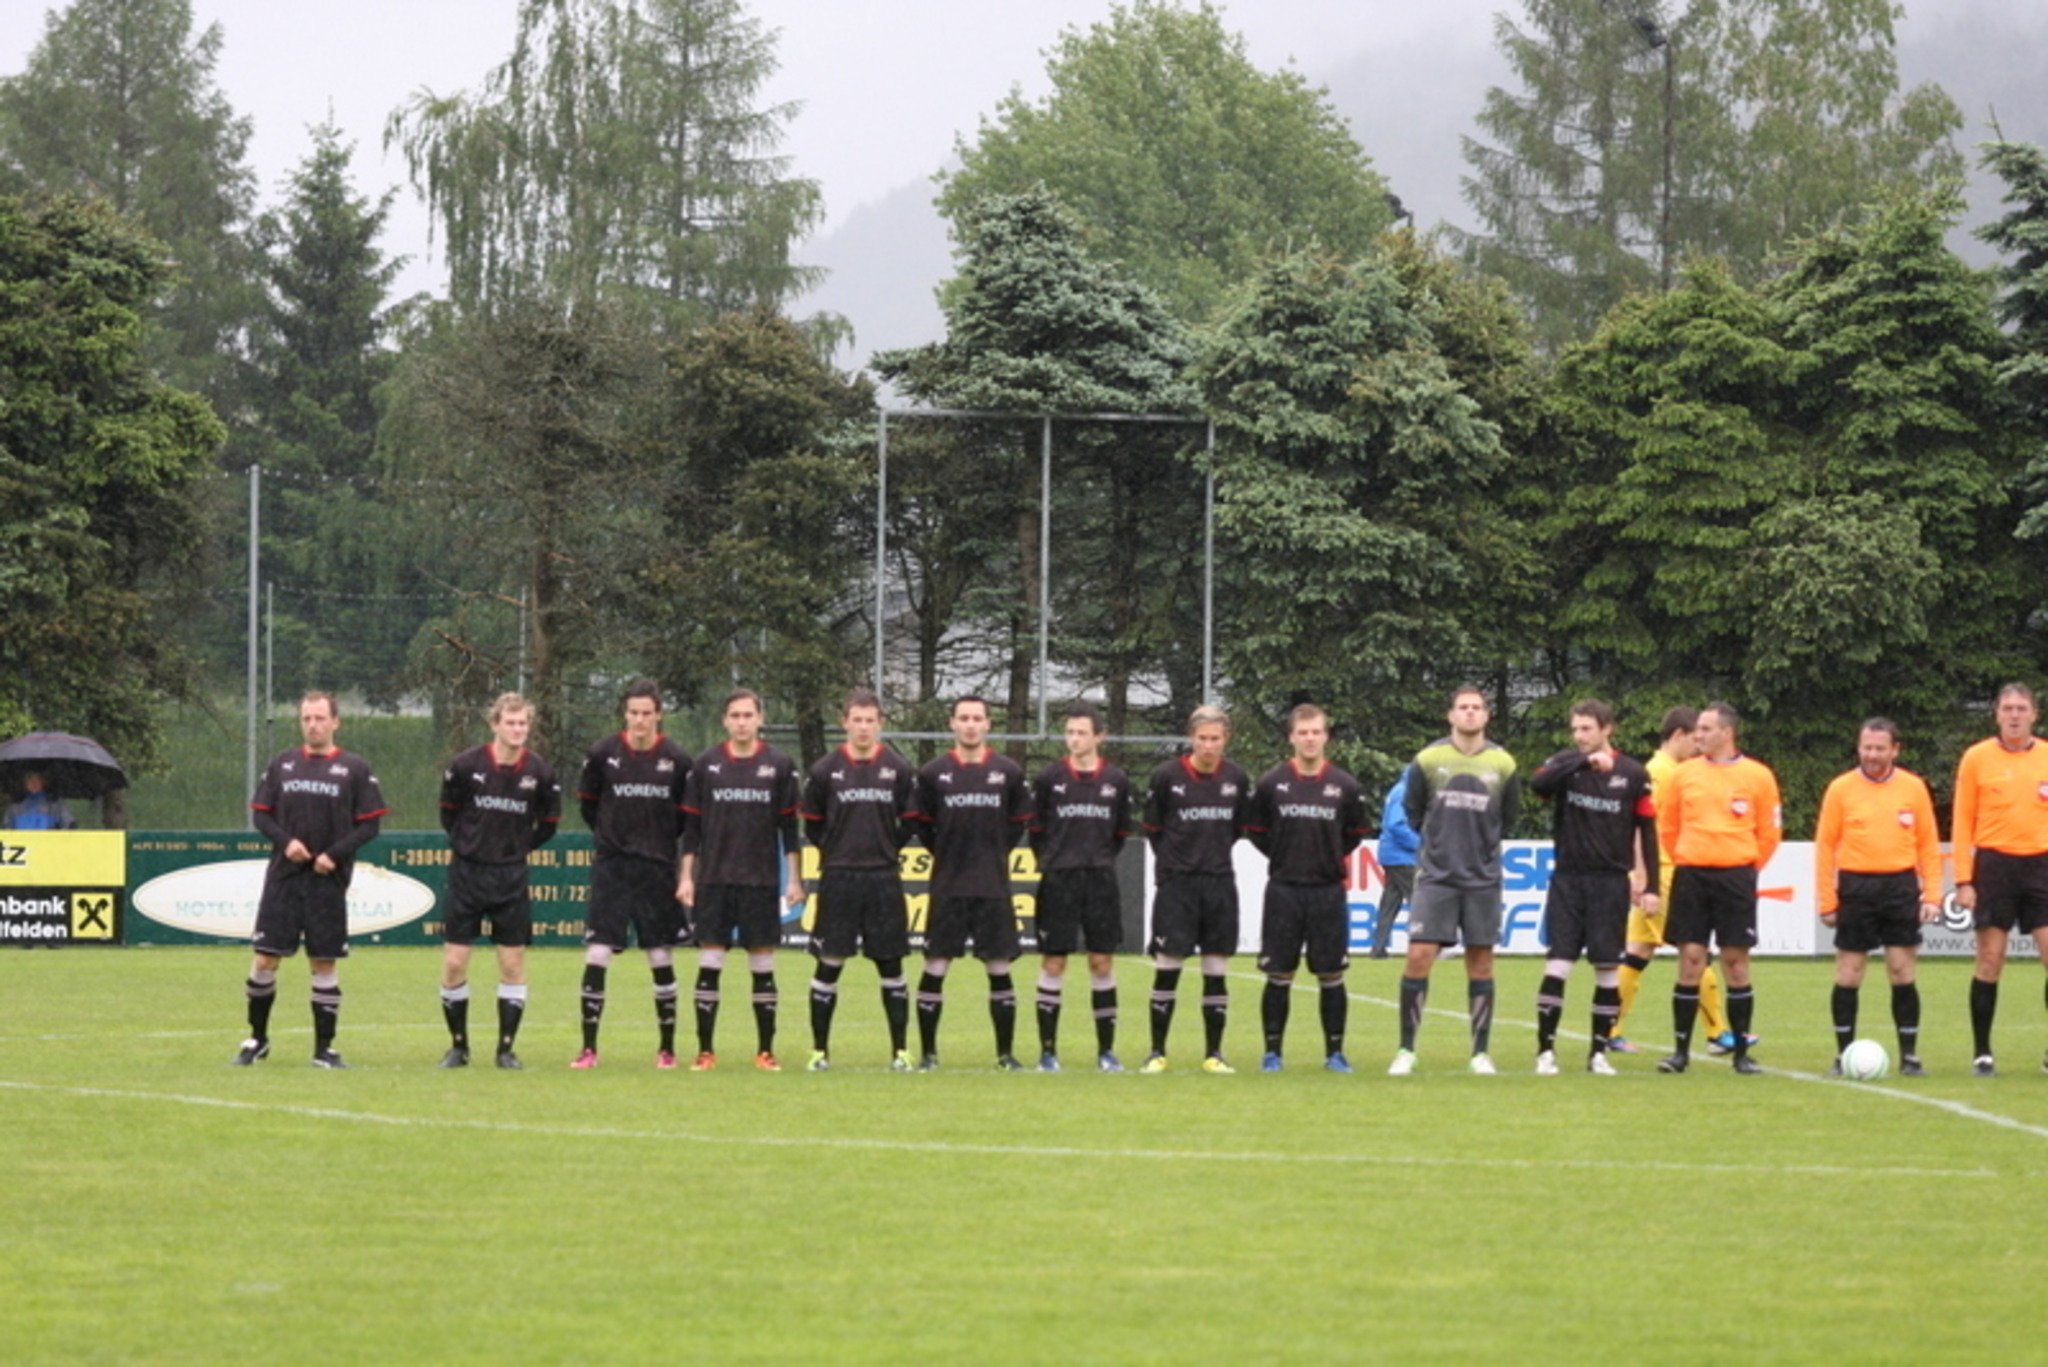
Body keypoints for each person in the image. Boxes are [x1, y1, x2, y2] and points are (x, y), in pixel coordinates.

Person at [232, 691, 387, 1068]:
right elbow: (262, 816)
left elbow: (370, 825)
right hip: (284, 879)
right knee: (266, 959)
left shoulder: (354, 769)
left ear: (336, 722)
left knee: (323, 963)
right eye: (307, 719)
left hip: (327, 883)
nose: (313, 725)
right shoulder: (283, 764)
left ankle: (324, 1049)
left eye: (320, 718)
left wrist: (333, 854)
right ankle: (257, 1039)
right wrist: (287, 844)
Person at [1390, 686, 1521, 1076]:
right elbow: (1413, 811)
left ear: (1486, 716)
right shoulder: (1429, 759)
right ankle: (1406, 1050)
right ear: (1450, 715)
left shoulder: (1503, 764)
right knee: (1418, 956)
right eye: (1462, 708)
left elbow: (1508, 819)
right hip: (1436, 878)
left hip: (1481, 879)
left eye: (1476, 708)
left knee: (1480, 963)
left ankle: (1480, 1053)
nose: (1469, 714)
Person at [1525, 699, 1658, 1075]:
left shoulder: (1633, 773)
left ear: (1606, 729)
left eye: (1587, 728)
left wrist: (1652, 887)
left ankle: (1597, 1054)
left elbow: (1647, 830)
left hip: (1611, 883)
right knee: (1559, 964)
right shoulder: (1565, 764)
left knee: (1607, 970)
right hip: (1568, 880)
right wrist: (1582, 762)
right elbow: (1537, 784)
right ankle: (1545, 1052)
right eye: (1576, 729)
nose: (1579, 735)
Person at [679, 689, 805, 1072]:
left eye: (748, 715)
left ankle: (765, 1051)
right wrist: (687, 877)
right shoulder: (706, 765)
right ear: (725, 720)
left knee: (762, 966)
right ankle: (705, 1051)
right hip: (714, 880)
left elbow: (789, 829)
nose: (742, 721)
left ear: (759, 719)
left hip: (760, 881)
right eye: (735, 715)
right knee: (710, 961)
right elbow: (692, 829)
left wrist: (794, 880)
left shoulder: (779, 765)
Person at [435, 692, 561, 1070]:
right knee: (455, 962)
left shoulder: (539, 773)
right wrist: (471, 846)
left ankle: (506, 1049)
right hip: (468, 874)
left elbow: (549, 824)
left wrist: (515, 848)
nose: (518, 729)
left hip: (510, 877)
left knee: (511, 964)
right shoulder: (465, 766)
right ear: (495, 724)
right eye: (511, 722)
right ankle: (458, 1047)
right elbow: (449, 814)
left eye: (523, 723)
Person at [908, 695, 1033, 1070]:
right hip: (947, 885)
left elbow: (1017, 824)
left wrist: (991, 852)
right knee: (935, 966)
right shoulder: (933, 773)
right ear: (952, 724)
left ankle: (1005, 1055)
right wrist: (948, 852)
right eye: (963, 718)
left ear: (988, 725)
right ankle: (929, 1055)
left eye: (977, 718)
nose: (970, 724)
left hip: (992, 885)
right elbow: (922, 825)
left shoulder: (1008, 772)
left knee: (999, 968)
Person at [572, 679, 692, 1069]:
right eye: (633, 713)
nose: (640, 720)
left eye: (647, 713)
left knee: (659, 954)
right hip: (612, 868)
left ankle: (667, 1050)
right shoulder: (602, 754)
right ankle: (589, 1049)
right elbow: (589, 807)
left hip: (657, 868)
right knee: (599, 952)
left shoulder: (676, 759)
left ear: (658, 715)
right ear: (625, 714)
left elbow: (683, 819)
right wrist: (615, 839)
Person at [1655, 701, 1780, 1075]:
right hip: (1692, 876)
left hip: (1735, 878)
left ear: (1727, 733)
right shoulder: (1683, 775)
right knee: (1690, 959)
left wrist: (1743, 865)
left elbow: (1770, 833)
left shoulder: (1758, 776)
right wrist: (1688, 856)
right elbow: (1668, 826)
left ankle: (1742, 1054)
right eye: (1698, 729)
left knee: (1736, 964)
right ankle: (1680, 1053)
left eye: (1707, 729)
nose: (1699, 735)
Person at [1244, 703, 1369, 1073]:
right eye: (1303, 733)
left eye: (1316, 732)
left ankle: (1335, 1053)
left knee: (1331, 973)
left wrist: (1324, 857)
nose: (1310, 739)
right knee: (1279, 974)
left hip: (1328, 891)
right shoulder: (1272, 783)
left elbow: (1353, 836)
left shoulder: (1345, 785)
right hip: (1284, 889)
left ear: (1326, 736)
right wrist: (1285, 856)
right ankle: (1272, 1053)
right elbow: (1257, 832)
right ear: (1292, 738)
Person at [1815, 718, 1941, 1077]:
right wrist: (1827, 900)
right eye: (1866, 747)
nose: (1872, 755)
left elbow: (1928, 846)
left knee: (1902, 970)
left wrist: (1931, 895)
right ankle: (1842, 1055)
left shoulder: (1914, 788)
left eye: (1879, 748)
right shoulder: (1840, 789)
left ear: (1895, 750)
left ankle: (1910, 1055)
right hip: (1856, 887)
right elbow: (1825, 846)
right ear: (1859, 747)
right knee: (1849, 972)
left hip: (1900, 886)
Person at [801, 689, 917, 1072]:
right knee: (829, 963)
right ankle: (820, 1051)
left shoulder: (898, 769)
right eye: (857, 720)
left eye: (871, 720)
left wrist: (884, 848)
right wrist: (840, 852)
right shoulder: (824, 770)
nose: (864, 727)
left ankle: (900, 1051)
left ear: (880, 724)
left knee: (891, 966)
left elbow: (910, 821)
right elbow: (814, 825)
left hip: (883, 877)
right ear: (845, 723)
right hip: (839, 877)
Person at [1611, 707, 1736, 1055]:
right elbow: (1641, 828)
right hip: (1662, 874)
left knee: (1638, 952)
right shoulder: (1662, 773)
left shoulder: (1665, 770)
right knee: (1693, 948)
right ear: (1678, 735)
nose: (1698, 746)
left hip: (1657, 872)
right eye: (1694, 737)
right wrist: (1644, 876)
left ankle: (1609, 1028)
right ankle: (1718, 1032)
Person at [1139, 704, 1250, 1074]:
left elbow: (1237, 829)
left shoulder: (1236, 778)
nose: (1208, 745)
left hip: (1219, 883)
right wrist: (1175, 865)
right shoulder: (1167, 776)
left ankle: (1214, 1054)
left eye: (1215, 739)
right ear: (1191, 739)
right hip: (1177, 885)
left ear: (1225, 740)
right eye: (1202, 738)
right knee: (1168, 964)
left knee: (1215, 967)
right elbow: (1153, 830)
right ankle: (1156, 1052)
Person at [1029, 702, 1136, 1073]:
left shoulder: (1116, 781)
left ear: (1098, 736)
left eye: (1081, 733)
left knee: (1101, 961)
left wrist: (1097, 857)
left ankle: (1106, 1052)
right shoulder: (1049, 779)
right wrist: (1058, 860)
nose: (1074, 739)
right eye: (1070, 732)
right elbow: (1037, 833)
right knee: (1054, 960)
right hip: (1059, 878)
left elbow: (1121, 833)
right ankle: (1047, 1052)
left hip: (1100, 880)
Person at [1950, 682, 2048, 1077]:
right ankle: (1982, 1051)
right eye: (2007, 707)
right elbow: (1962, 821)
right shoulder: (1976, 758)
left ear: (2034, 714)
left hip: (2041, 864)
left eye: (2021, 708)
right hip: (1994, 865)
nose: (2014, 714)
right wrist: (1963, 879)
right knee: (1990, 960)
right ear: (1996, 714)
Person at [1366, 772, 1416, 959]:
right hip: (1403, 857)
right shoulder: (1405, 793)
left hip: (1392, 855)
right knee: (1421, 901)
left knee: (1390, 902)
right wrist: (1420, 844)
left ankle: (1378, 948)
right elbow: (1397, 825)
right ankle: (1423, 945)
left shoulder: (1399, 790)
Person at [4, 772, 76, 830]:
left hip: (48, 846)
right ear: (24, 783)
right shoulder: (16, 805)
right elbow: (7, 829)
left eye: (37, 778)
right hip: (22, 846)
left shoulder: (55, 802)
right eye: (29, 779)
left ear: (44, 782)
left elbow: (69, 825)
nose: (33, 782)